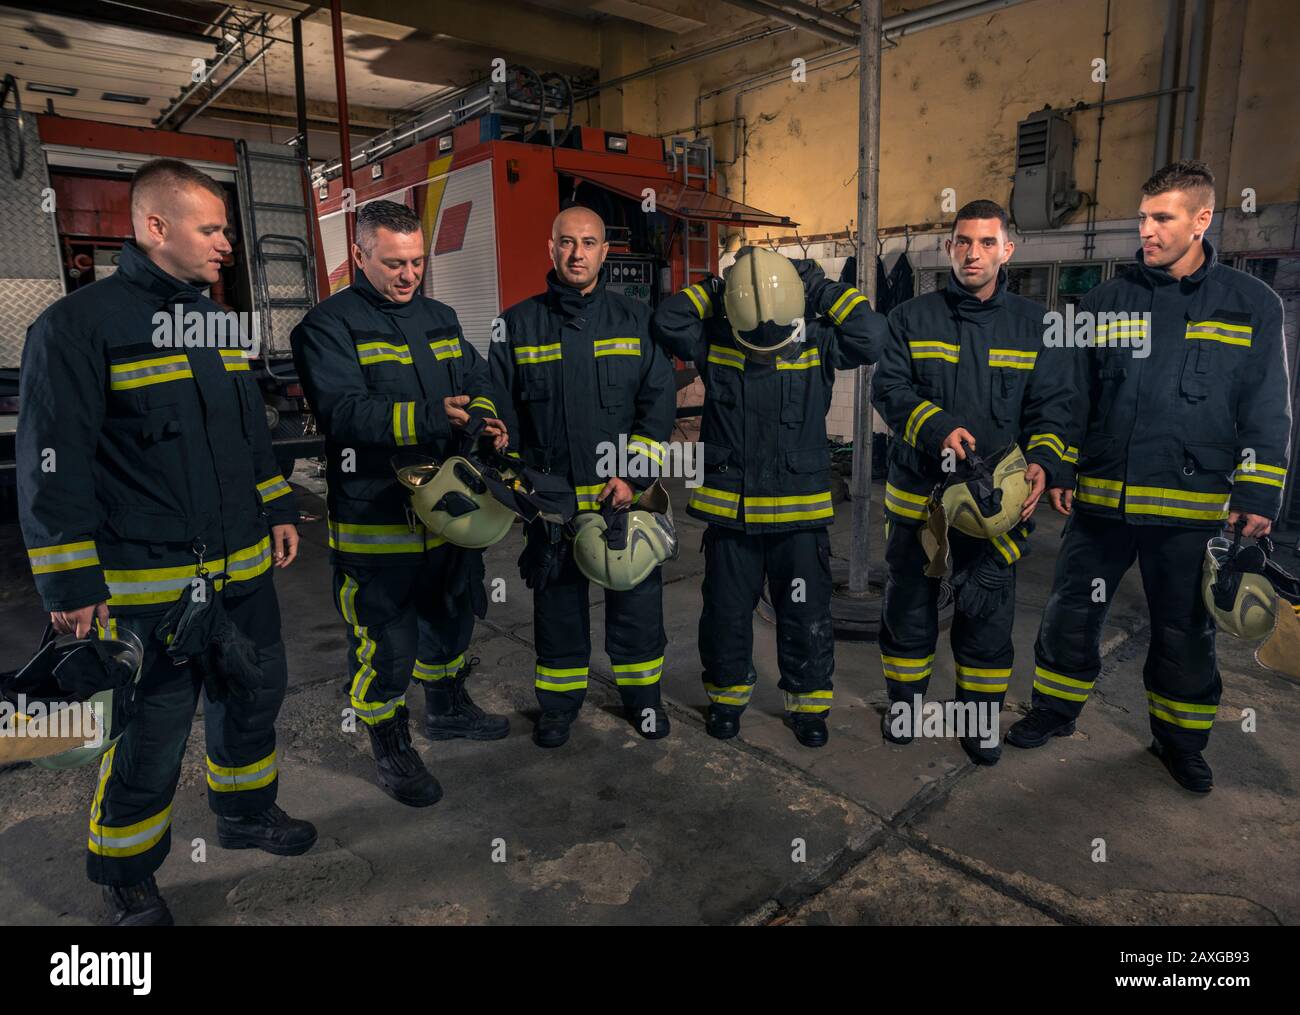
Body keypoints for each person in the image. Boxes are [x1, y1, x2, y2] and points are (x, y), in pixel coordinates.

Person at [17, 159, 314, 926]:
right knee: (150, 734)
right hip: (150, 589)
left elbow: (252, 433)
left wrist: (276, 502)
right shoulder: (76, 328)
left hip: (242, 572)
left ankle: (247, 813)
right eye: (211, 229)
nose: (226, 246)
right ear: (156, 227)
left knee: (251, 699)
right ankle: (127, 872)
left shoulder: (216, 323)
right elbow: (53, 465)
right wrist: (70, 583)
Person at [1010, 160, 1291, 793]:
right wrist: (1056, 460)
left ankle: (1180, 742)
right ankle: (1054, 711)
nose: (1147, 230)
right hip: (1103, 502)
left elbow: (1268, 408)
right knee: (1071, 613)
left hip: (1191, 510)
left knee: (1183, 630)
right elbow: (1070, 397)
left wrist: (1257, 492)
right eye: (1142, 217)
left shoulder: (1253, 305)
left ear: (1201, 219)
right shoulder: (1105, 301)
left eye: (1162, 218)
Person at [291, 200, 510, 806]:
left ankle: (446, 709)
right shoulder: (326, 327)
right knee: (386, 645)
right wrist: (429, 416)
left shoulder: (440, 317)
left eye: (416, 262)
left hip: (449, 513)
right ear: (359, 256)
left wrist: (488, 419)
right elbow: (343, 412)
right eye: (393, 263)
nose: (408, 275)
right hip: (376, 519)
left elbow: (478, 379)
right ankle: (389, 745)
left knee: (450, 618)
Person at [652, 246, 888, 748]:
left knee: (805, 613)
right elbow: (667, 319)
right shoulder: (715, 336)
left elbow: (871, 337)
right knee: (725, 613)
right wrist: (719, 289)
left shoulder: (815, 337)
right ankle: (727, 701)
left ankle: (808, 706)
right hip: (730, 512)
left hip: (798, 514)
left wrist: (817, 288)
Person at [871, 200, 1075, 764]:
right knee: (909, 609)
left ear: (1008, 250)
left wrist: (1044, 462)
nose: (973, 253)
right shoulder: (911, 317)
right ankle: (906, 707)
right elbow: (888, 391)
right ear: (949, 248)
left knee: (987, 618)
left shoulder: (1036, 325)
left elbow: (1054, 408)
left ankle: (978, 721)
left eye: (987, 242)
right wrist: (935, 428)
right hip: (920, 503)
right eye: (963, 241)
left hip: (996, 511)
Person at [490, 205, 676, 748]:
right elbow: (501, 409)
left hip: (622, 498)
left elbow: (657, 403)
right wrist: (520, 478)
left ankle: (643, 702)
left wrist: (632, 475)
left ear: (605, 252)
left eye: (589, 243)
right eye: (567, 243)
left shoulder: (637, 320)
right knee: (557, 607)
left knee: (637, 603)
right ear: (551, 248)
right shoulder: (516, 323)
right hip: (554, 503)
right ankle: (558, 707)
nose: (577, 254)